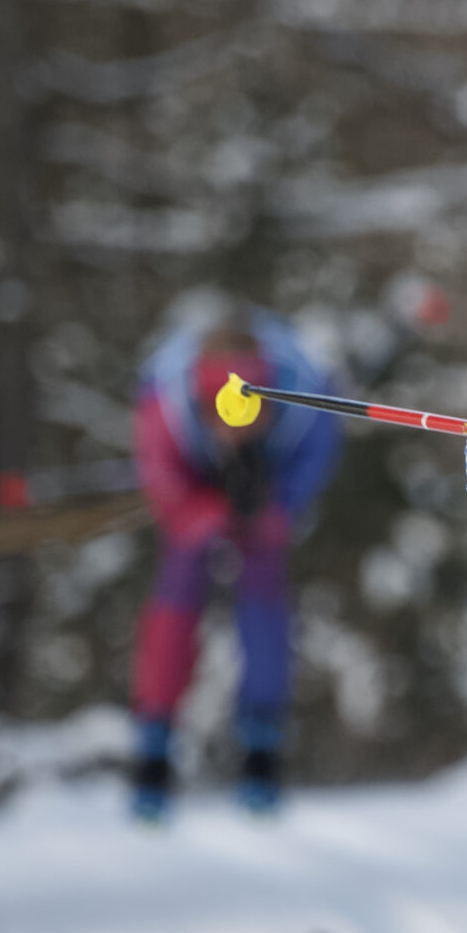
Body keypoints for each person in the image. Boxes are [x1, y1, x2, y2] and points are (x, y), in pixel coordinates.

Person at [129, 310, 343, 819]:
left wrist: (277, 510)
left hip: (269, 482)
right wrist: (209, 513)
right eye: (221, 422)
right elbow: (167, 493)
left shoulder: (308, 401)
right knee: (178, 590)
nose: (235, 435)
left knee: (264, 592)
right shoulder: (165, 407)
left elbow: (315, 462)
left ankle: (262, 748)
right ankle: (154, 747)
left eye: (250, 420)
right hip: (197, 483)